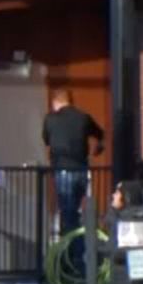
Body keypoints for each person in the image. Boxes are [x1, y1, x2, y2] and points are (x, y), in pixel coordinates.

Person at [42, 89, 105, 239]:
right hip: (81, 169)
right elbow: (100, 134)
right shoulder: (83, 117)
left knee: (66, 210)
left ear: (55, 102)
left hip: (62, 168)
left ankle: (68, 245)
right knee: (76, 208)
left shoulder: (50, 119)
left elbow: (46, 139)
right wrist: (98, 149)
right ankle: (77, 242)